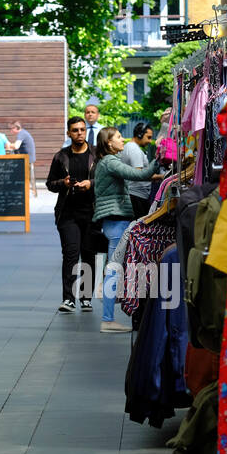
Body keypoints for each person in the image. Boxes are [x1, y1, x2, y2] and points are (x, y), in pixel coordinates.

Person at [92, 126, 155, 332]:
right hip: (116, 220)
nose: (123, 140)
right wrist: (159, 159)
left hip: (112, 220)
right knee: (114, 270)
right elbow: (140, 174)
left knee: (113, 269)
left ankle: (108, 317)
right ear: (109, 143)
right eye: (119, 137)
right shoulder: (110, 162)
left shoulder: (107, 162)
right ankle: (108, 319)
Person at [47, 116, 97, 314]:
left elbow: (103, 180)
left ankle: (85, 298)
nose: (79, 133)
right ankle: (68, 299)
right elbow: (50, 184)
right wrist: (64, 184)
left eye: (82, 130)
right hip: (67, 213)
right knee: (70, 255)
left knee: (88, 255)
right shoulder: (61, 157)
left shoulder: (96, 154)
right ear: (69, 133)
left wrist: (90, 184)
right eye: (75, 130)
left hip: (91, 212)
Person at [121, 122, 156, 219]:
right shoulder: (134, 149)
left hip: (136, 195)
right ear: (140, 134)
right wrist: (161, 177)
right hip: (136, 196)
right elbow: (139, 174)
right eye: (148, 137)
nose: (150, 141)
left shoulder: (131, 147)